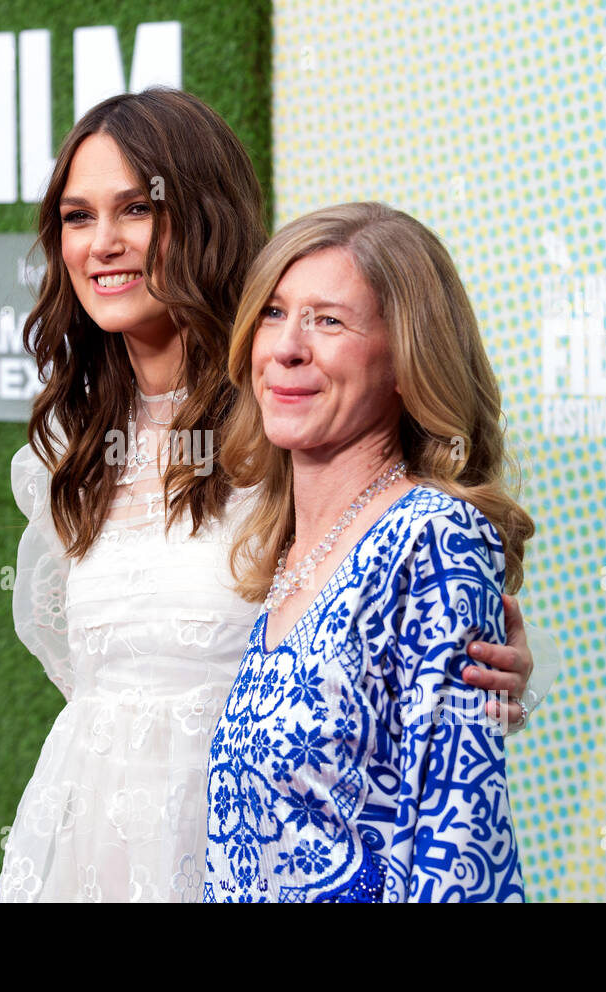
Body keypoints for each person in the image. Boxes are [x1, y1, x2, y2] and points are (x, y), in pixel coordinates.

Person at [0, 90, 548, 903]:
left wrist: (499, 676)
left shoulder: (290, 421)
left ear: (203, 218)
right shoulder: (70, 447)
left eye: (135, 210)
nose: (103, 244)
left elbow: (405, 600)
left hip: (256, 858)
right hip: (86, 845)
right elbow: (92, 685)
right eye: (78, 217)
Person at [205, 201, 531, 901]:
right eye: (273, 313)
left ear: (407, 364)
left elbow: (461, 842)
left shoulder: (434, 538)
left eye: (329, 320)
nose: (287, 346)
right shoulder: (287, 551)